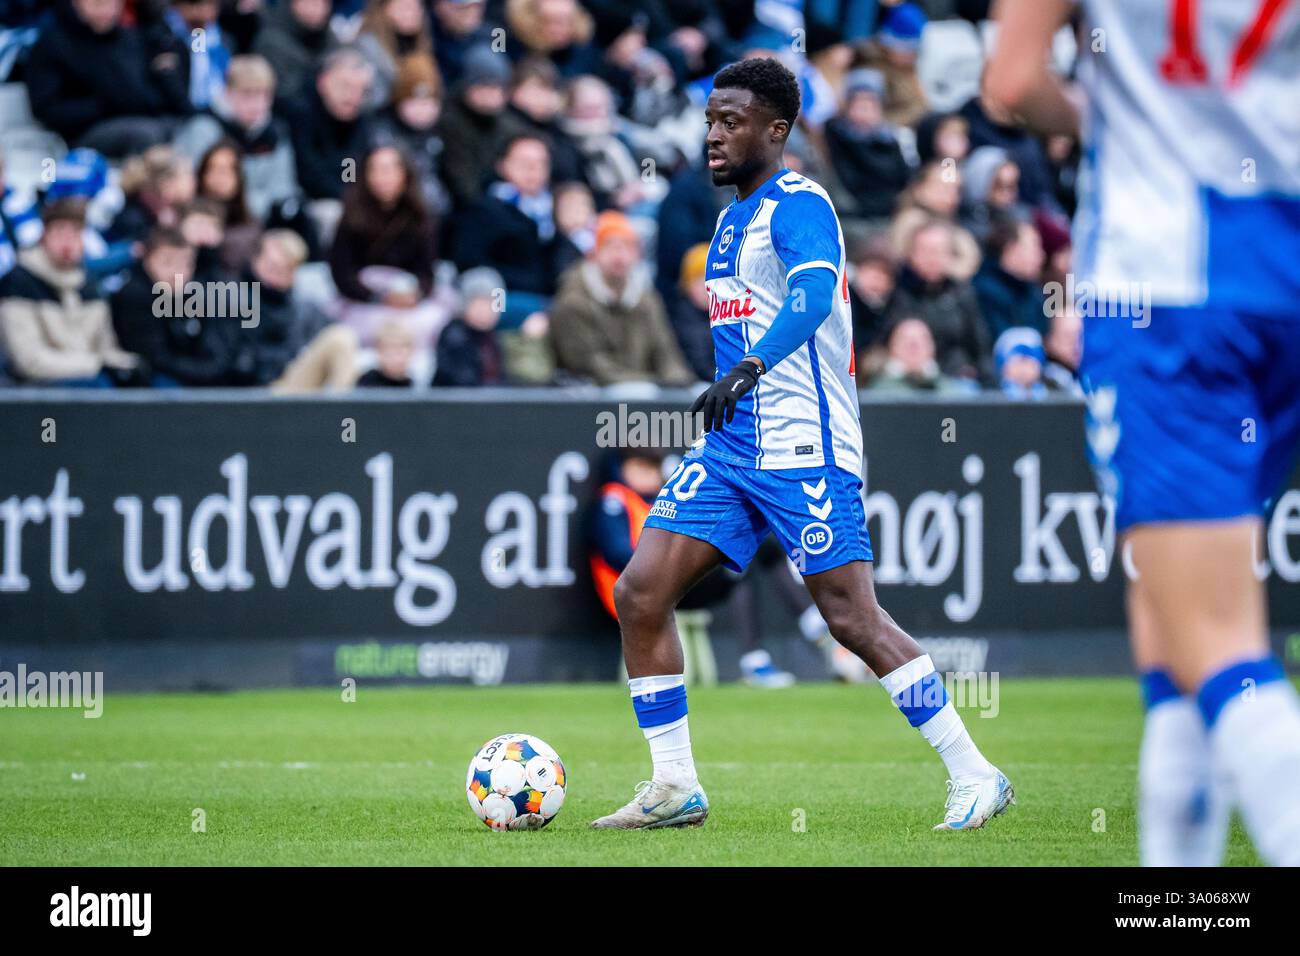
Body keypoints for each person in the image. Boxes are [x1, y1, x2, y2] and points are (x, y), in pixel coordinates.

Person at [590, 58, 1013, 831]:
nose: (713, 135)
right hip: (732, 450)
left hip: (804, 444)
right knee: (641, 591)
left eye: (731, 122)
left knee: (852, 619)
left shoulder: (801, 203)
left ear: (776, 130)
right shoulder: (728, 222)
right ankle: (675, 785)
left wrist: (749, 367)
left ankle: (975, 772)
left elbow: (814, 297)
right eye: (710, 121)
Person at [987, 0, 1300, 866]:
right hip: (1282, 268)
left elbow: (1013, 82)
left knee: (1218, 644)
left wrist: (1101, 119)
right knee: (1171, 642)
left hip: (1168, 287)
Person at [0, 198, 143, 386]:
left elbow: (106, 348)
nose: (67, 242)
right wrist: (97, 365)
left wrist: (131, 365)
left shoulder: (90, 285)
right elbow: (28, 361)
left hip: (89, 377)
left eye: (75, 232)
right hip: (34, 388)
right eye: (60, 231)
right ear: (43, 237)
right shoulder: (19, 282)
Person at [25, 0, 188, 157]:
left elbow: (143, 91)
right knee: (146, 134)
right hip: (82, 132)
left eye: (114, 3)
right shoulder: (52, 44)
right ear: (76, 2)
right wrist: (103, 105)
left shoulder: (128, 38)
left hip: (137, 118)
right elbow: (46, 109)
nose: (107, 10)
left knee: (185, 125)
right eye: (98, 3)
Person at [549, 210, 693, 387]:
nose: (619, 255)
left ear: (636, 255)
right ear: (595, 253)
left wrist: (679, 383)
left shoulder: (646, 301)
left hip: (644, 387)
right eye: (610, 246)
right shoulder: (573, 300)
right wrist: (649, 383)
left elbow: (666, 352)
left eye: (627, 246)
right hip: (590, 391)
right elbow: (586, 363)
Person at [329, 144, 445, 348]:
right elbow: (342, 272)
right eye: (376, 170)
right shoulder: (351, 217)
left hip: (408, 301)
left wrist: (414, 295)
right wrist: (378, 297)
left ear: (404, 174)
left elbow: (427, 272)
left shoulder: (420, 218)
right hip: (364, 302)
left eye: (390, 169)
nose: (383, 177)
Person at [173, 54, 301, 222]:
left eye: (264, 95)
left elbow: (283, 188)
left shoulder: (275, 133)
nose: (257, 104)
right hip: (208, 216)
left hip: (262, 220)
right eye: (247, 94)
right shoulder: (204, 128)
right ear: (228, 92)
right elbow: (190, 185)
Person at [110, 226, 232, 386]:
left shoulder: (193, 294)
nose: (177, 273)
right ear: (147, 260)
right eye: (168, 263)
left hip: (184, 374)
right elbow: (153, 356)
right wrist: (203, 372)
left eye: (186, 264)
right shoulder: (134, 295)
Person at [252, 0, 339, 101]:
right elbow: (282, 94)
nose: (317, 9)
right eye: (310, 2)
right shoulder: (271, 42)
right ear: (293, 4)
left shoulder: (331, 40)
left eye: (323, 3)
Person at [992, 326, 1046, 400]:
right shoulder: (990, 392)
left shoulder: (1054, 387)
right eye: (1017, 363)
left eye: (1027, 362)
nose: (1023, 369)